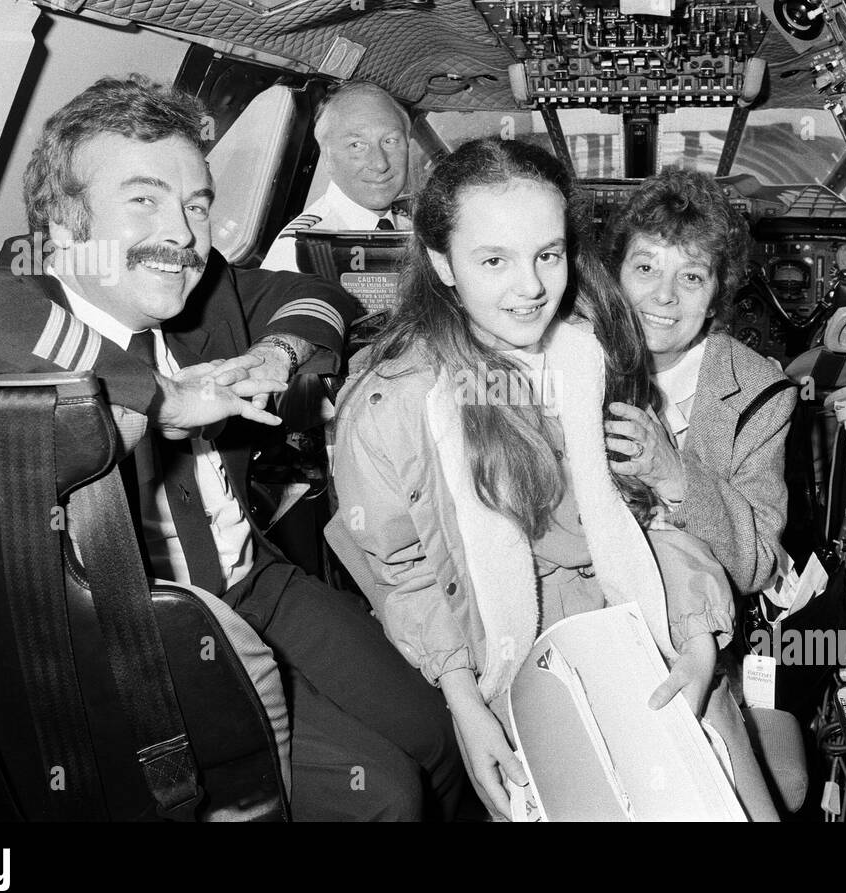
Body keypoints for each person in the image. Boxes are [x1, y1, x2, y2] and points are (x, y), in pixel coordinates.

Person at [0, 74, 464, 822]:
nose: (181, 232)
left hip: (256, 580)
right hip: (149, 628)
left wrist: (280, 352)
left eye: (196, 204)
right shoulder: (19, 323)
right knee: (385, 795)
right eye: (143, 199)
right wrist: (156, 392)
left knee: (438, 734)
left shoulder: (204, 295)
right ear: (65, 225)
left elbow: (317, 298)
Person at [328, 138, 783, 820]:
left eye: (546, 254)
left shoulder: (584, 351)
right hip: (517, 677)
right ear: (442, 263)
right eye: (493, 260)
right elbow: (407, 576)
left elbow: (634, 522)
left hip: (654, 634)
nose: (532, 287)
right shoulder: (391, 409)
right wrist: (465, 704)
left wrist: (693, 637)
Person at [602, 168, 794, 595]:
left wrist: (674, 473)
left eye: (690, 276)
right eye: (646, 267)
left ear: (714, 300)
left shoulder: (761, 397)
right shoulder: (571, 357)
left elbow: (757, 563)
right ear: (617, 278)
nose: (664, 294)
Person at [262, 80, 412, 272]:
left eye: (390, 141)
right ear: (326, 157)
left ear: (407, 143)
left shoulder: (411, 226)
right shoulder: (301, 250)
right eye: (357, 145)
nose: (380, 163)